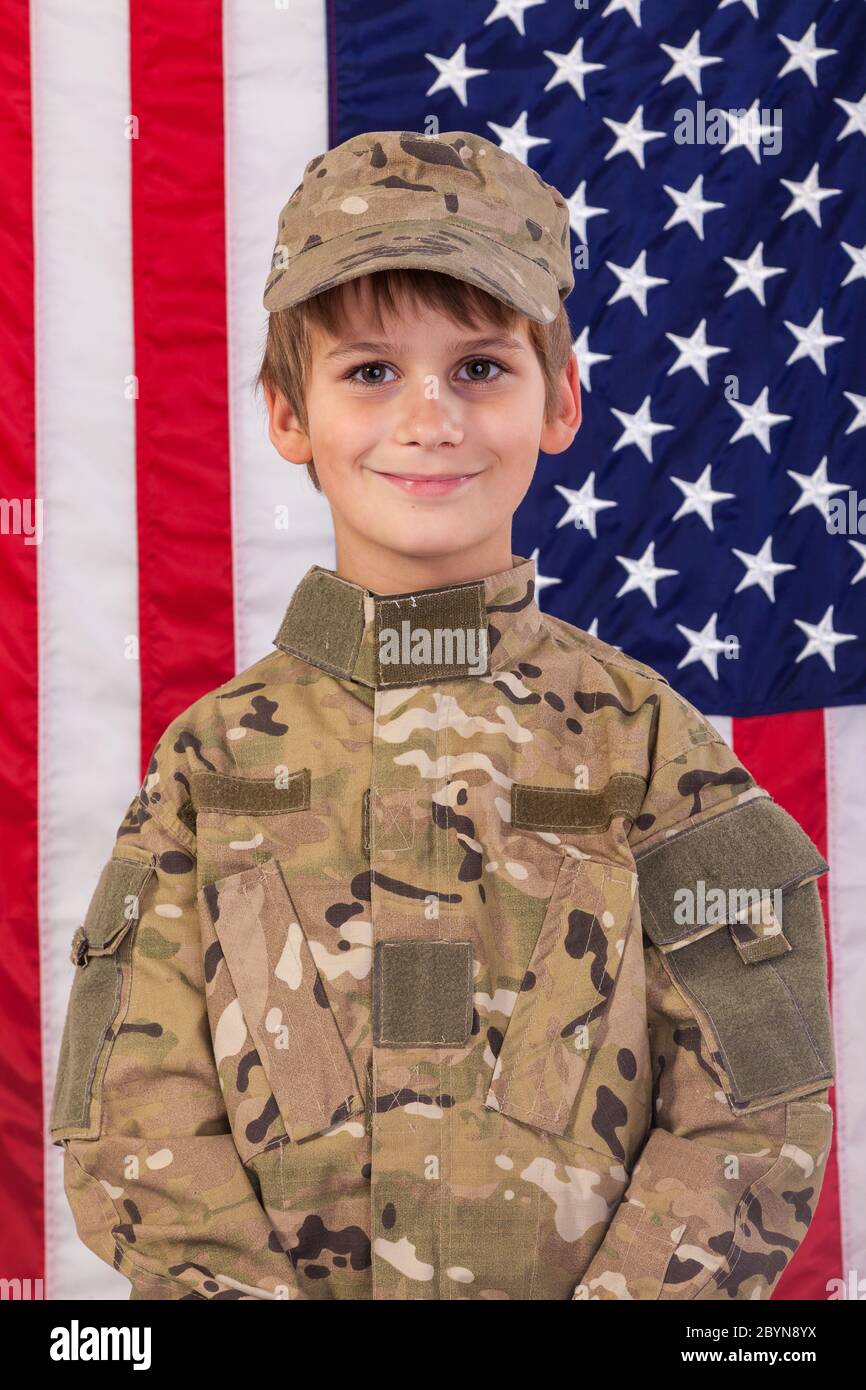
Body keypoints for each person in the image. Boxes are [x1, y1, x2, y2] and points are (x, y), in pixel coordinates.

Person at [49, 129, 835, 1300]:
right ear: (287, 413)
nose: (429, 417)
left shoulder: (652, 749)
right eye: (370, 371)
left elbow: (753, 1109)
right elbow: (129, 1111)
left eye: (477, 368)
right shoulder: (210, 762)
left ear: (557, 400)